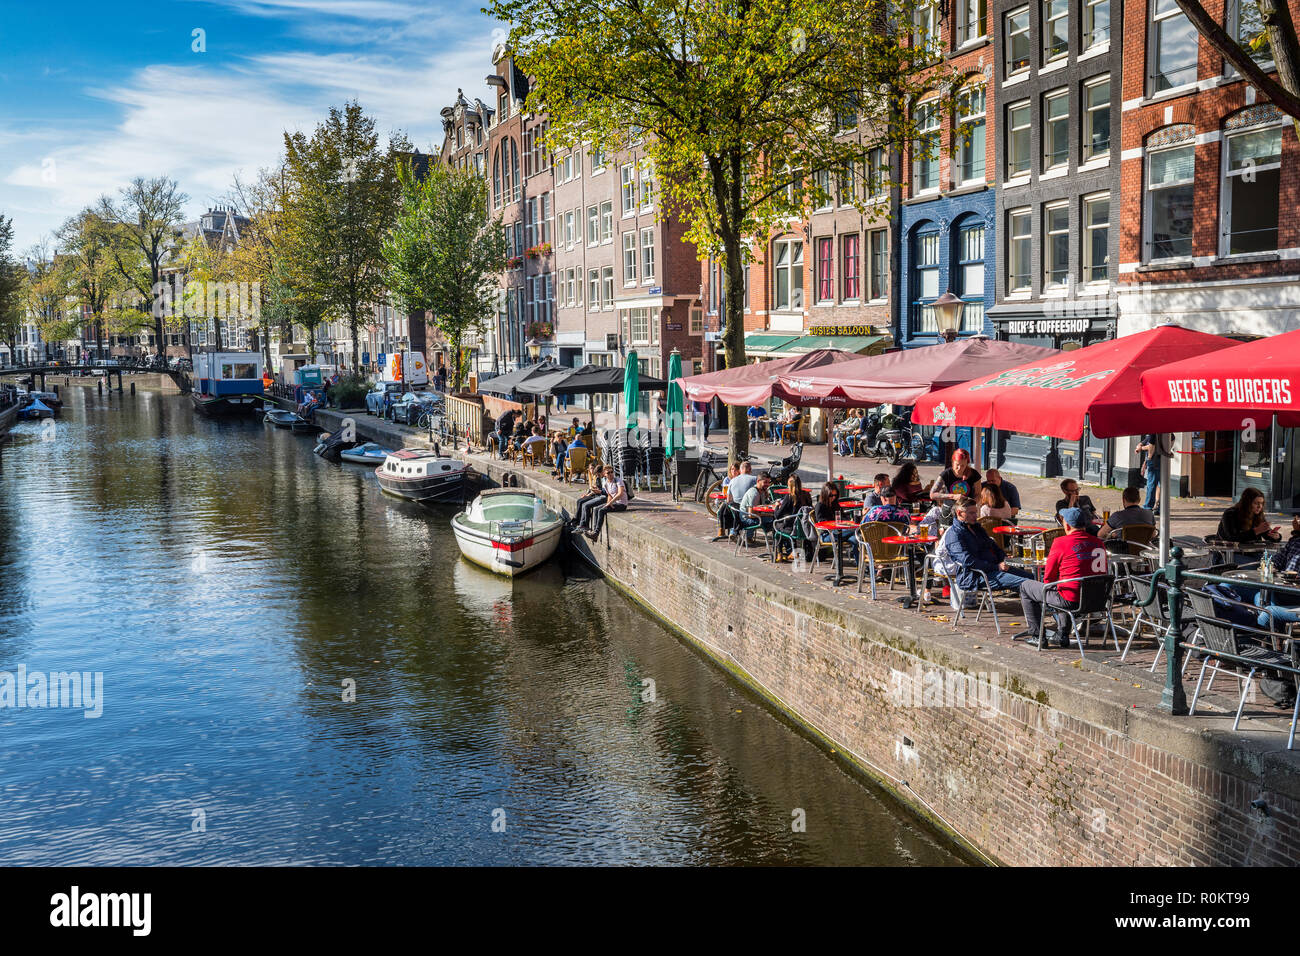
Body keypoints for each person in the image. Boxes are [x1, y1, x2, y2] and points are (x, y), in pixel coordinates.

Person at [1014, 507, 1108, 645]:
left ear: (1067, 525)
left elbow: (1048, 577)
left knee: (1026, 586)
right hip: (1098, 600)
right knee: (1064, 586)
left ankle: (1037, 636)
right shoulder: (1098, 542)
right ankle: (1062, 634)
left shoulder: (1061, 542)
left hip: (1072, 600)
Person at [941, 498, 1032, 601]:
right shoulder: (954, 534)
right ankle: (1044, 610)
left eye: (976, 512)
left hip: (994, 570)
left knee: (1033, 578)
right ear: (959, 513)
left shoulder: (977, 528)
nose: (976, 516)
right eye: (971, 513)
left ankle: (1044, 607)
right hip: (974, 576)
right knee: (1026, 583)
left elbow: (993, 546)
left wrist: (1003, 559)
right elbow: (968, 560)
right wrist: (996, 567)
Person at [1255, 516, 1300, 631]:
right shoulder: (1295, 540)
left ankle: (1271, 640)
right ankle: (1276, 639)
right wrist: (1271, 565)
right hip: (1287, 591)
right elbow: (1279, 559)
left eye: (1298, 518)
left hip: (1294, 593)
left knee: (1266, 613)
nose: (1295, 521)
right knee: (1260, 596)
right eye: (1296, 517)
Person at [1216, 487, 1281, 545]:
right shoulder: (1230, 514)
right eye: (1256, 503)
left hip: (1253, 552)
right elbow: (1231, 538)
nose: (1259, 507)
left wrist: (1276, 536)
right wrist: (1256, 531)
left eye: (1261, 503)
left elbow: (1266, 534)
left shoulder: (1257, 515)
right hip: (1229, 553)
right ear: (1247, 503)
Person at [587, 466, 629, 539]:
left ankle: (596, 533)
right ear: (605, 474)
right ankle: (594, 532)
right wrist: (608, 503)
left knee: (601, 510)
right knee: (596, 509)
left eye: (612, 472)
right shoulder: (606, 484)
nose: (610, 474)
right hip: (614, 503)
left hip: (621, 504)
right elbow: (609, 495)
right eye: (608, 473)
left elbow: (620, 493)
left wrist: (610, 503)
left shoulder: (618, 480)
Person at [572, 464, 606, 531]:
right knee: (580, 501)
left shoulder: (599, 478)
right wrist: (589, 493)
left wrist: (590, 493)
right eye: (591, 469)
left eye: (593, 468)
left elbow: (602, 491)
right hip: (598, 495)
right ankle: (580, 523)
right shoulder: (597, 477)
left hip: (599, 496)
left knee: (585, 504)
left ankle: (583, 525)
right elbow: (598, 489)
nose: (592, 470)